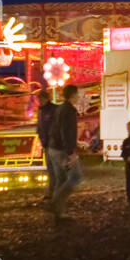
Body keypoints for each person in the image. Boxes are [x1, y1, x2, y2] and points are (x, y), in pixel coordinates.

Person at [48, 84, 82, 219]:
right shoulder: (70, 111)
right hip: (62, 149)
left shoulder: (59, 108)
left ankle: (59, 212)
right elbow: (66, 132)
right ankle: (55, 202)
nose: (78, 97)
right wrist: (71, 152)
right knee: (76, 177)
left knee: (61, 179)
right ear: (73, 96)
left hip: (53, 147)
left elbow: (57, 128)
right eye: (77, 94)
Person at [36, 90, 57, 201]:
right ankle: (52, 191)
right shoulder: (41, 110)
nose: (39, 101)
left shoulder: (52, 110)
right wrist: (41, 137)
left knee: (54, 168)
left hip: (53, 143)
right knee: (51, 168)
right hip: (47, 143)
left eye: (40, 99)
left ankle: (55, 191)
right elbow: (40, 126)